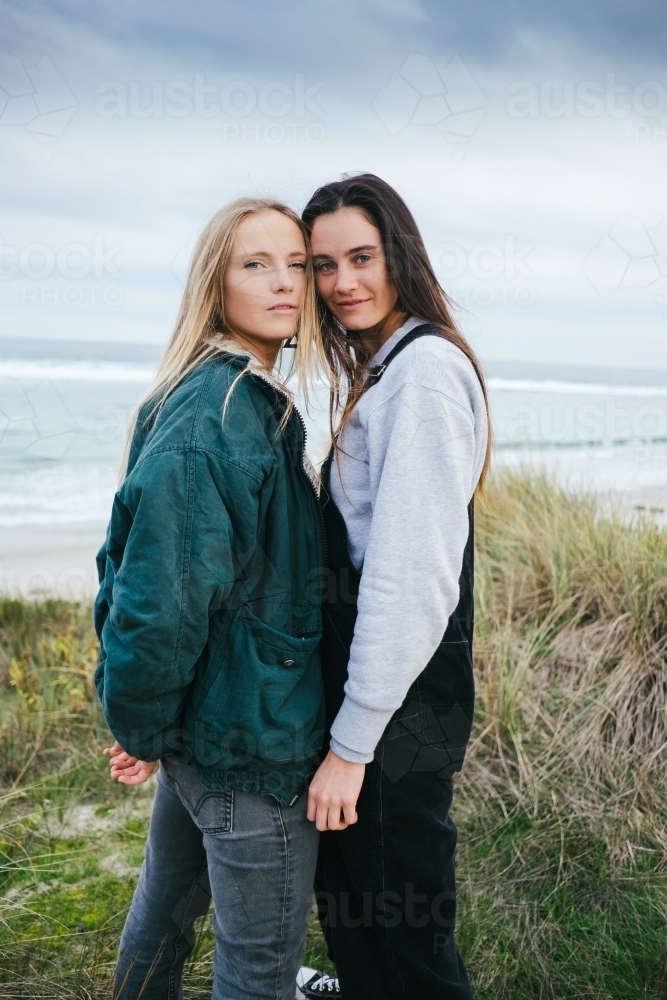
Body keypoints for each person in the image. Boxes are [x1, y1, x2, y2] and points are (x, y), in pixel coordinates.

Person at [94, 197, 328, 1000]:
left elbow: (145, 573)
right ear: (214, 283)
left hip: (209, 729)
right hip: (248, 751)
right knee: (257, 971)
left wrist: (154, 727)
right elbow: (156, 602)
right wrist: (140, 726)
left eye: (296, 264)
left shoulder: (235, 397)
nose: (285, 282)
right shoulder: (216, 416)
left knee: (162, 921)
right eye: (255, 264)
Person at [302, 173, 492, 1000]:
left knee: (404, 929)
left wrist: (351, 748)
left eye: (361, 257)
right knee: (357, 906)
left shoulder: (422, 373)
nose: (341, 282)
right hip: (382, 692)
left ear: (399, 256)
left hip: (401, 703)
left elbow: (410, 581)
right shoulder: (381, 368)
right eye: (322, 265)